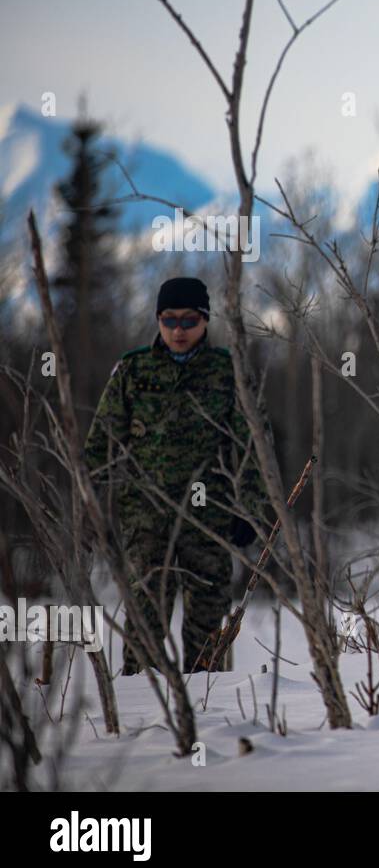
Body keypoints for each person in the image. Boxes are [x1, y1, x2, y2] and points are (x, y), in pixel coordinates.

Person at [84, 277, 270, 674]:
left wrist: (250, 509)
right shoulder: (133, 371)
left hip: (209, 517)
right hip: (146, 518)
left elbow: (254, 445)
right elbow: (99, 446)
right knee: (145, 624)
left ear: (204, 320)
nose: (178, 331)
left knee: (207, 629)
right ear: (158, 320)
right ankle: (142, 719)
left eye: (189, 321)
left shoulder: (227, 371)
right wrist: (88, 511)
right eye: (169, 321)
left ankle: (208, 714)